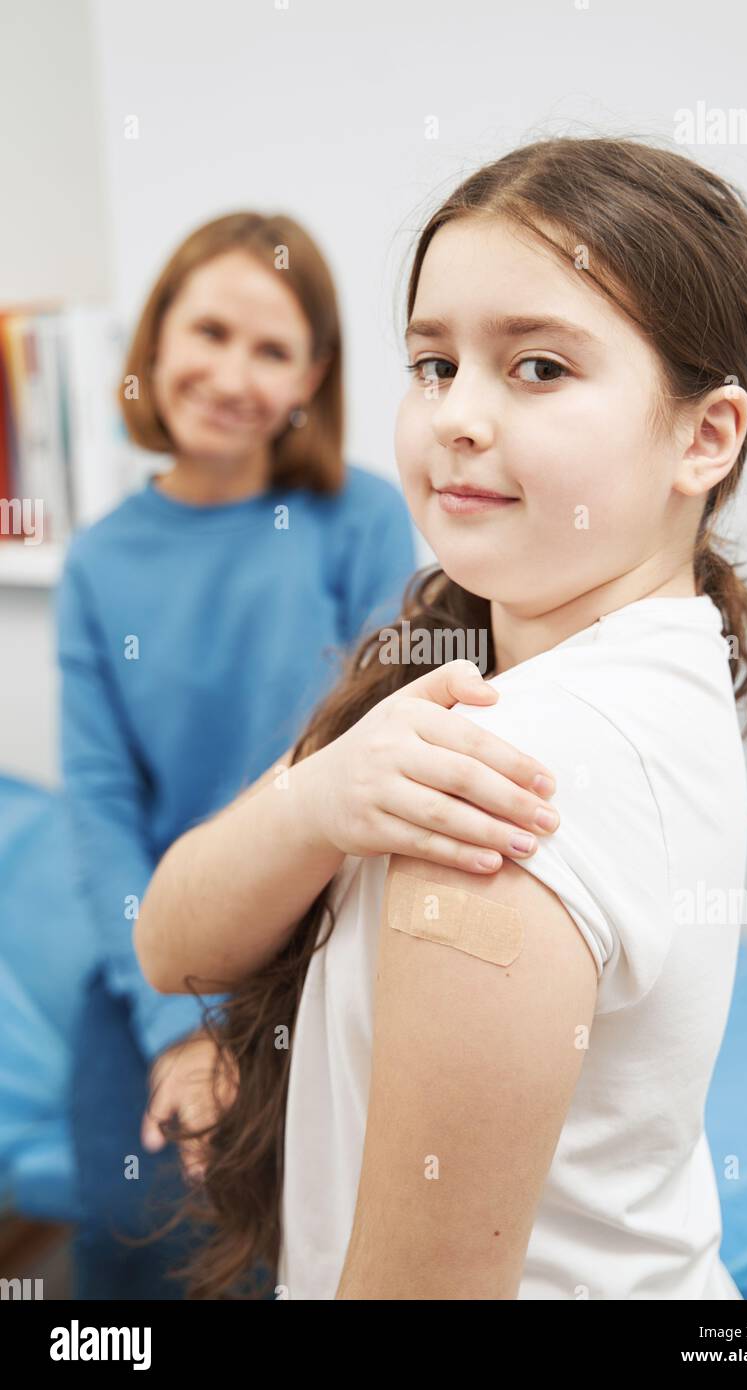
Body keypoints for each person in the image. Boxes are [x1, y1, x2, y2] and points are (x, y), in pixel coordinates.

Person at [134, 138, 747, 1300]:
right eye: (433, 364)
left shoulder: (507, 769)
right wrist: (317, 800)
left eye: (537, 367)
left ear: (703, 435)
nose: (456, 417)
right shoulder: (484, 675)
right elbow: (171, 938)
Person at [56, 209, 422, 1298]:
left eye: (271, 350)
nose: (230, 373)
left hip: (311, 940)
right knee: (137, 1216)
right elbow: (101, 811)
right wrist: (177, 1029)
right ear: (156, 339)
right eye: (208, 332)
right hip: (158, 949)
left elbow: (354, 753)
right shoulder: (99, 563)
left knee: (289, 1214)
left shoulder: (358, 520)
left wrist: (253, 1015)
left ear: (312, 377)